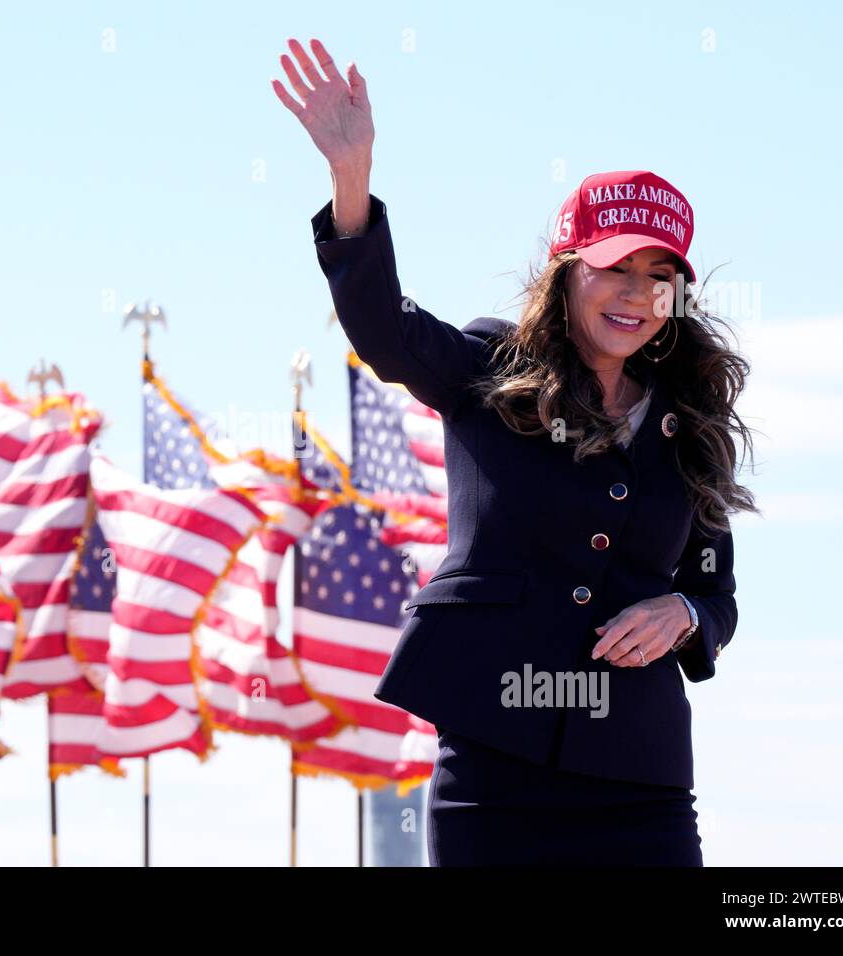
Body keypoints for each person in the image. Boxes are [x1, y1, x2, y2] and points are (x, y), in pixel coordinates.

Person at [272, 38, 759, 866]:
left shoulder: (693, 424)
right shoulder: (489, 370)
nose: (636, 296)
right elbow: (387, 333)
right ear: (565, 271)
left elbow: (716, 595)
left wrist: (684, 616)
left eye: (657, 276)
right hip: (493, 768)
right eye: (614, 269)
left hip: (640, 778)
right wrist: (350, 178)